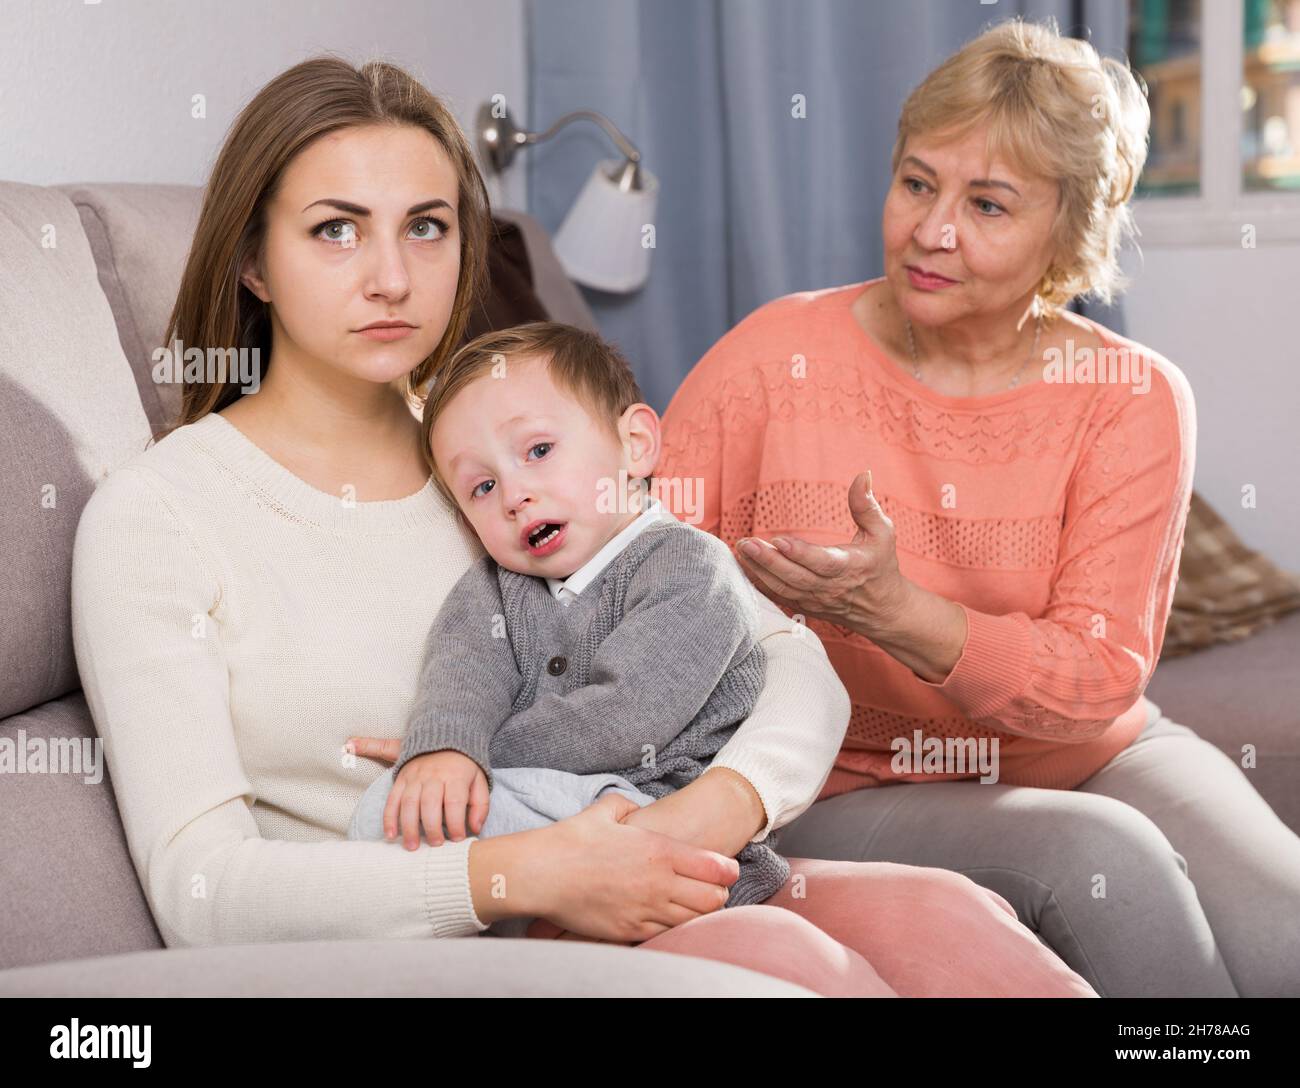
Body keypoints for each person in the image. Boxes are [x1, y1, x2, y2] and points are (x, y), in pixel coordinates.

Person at [70, 53, 1094, 997]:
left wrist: (700, 815)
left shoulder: (509, 453)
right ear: (253, 261)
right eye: (335, 229)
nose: (391, 276)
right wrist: (523, 870)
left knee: (961, 923)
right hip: (415, 945)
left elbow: (789, 662)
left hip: (647, 850)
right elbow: (201, 891)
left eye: (426, 226)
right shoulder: (158, 518)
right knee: (790, 966)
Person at [656, 16, 1300, 997]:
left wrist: (899, 614)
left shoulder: (1131, 396)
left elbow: (1094, 679)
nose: (932, 229)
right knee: (1109, 866)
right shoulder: (767, 358)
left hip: (1084, 750)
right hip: (843, 774)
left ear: (1068, 233)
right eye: (917, 182)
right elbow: (633, 580)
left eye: (988, 205)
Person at [347, 322, 790, 935]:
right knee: (388, 816)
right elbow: (461, 672)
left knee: (405, 824)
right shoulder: (494, 587)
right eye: (482, 486)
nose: (515, 496)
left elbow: (627, 717)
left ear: (634, 445)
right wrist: (444, 745)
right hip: (549, 818)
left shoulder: (689, 568)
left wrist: (476, 758)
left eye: (537, 452)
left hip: (654, 813)